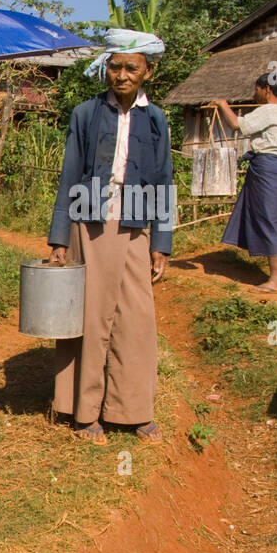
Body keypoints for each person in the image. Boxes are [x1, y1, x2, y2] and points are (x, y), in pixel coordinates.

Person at [48, 29, 174, 446]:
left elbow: (163, 180)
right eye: (114, 66)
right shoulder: (85, 114)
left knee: (137, 320)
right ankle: (84, 413)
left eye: (131, 68)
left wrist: (161, 244)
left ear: (147, 72)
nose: (121, 75)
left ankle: (132, 409)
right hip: (91, 224)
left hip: (135, 227)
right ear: (105, 69)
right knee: (91, 317)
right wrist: (60, 237)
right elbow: (69, 176)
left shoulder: (155, 120)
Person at [211, 73, 277, 292]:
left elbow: (236, 124)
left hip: (268, 168)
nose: (255, 93)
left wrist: (223, 105)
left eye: (257, 89)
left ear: (266, 89)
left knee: (268, 220)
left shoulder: (268, 111)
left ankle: (276, 279)